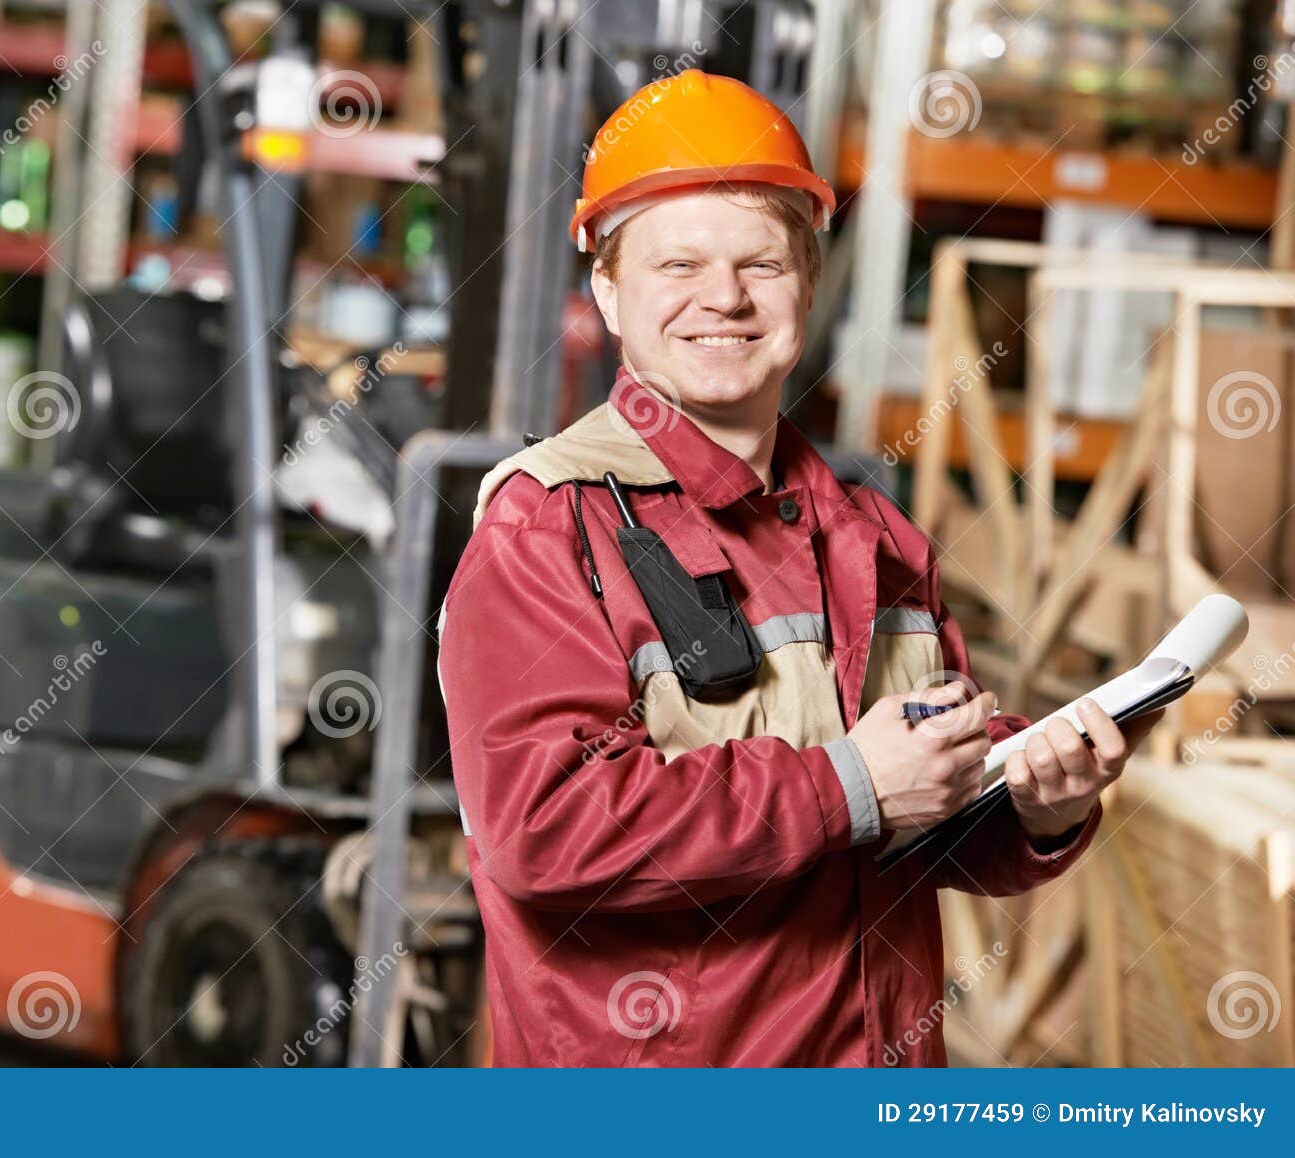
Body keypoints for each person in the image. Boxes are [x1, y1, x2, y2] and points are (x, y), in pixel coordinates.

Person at [437, 71, 1160, 1067]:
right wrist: (843, 783)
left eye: (762, 264)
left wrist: (1036, 805)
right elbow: (544, 832)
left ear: (808, 285)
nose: (724, 297)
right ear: (607, 290)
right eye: (677, 263)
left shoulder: (878, 540)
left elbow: (915, 818)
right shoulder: (548, 529)